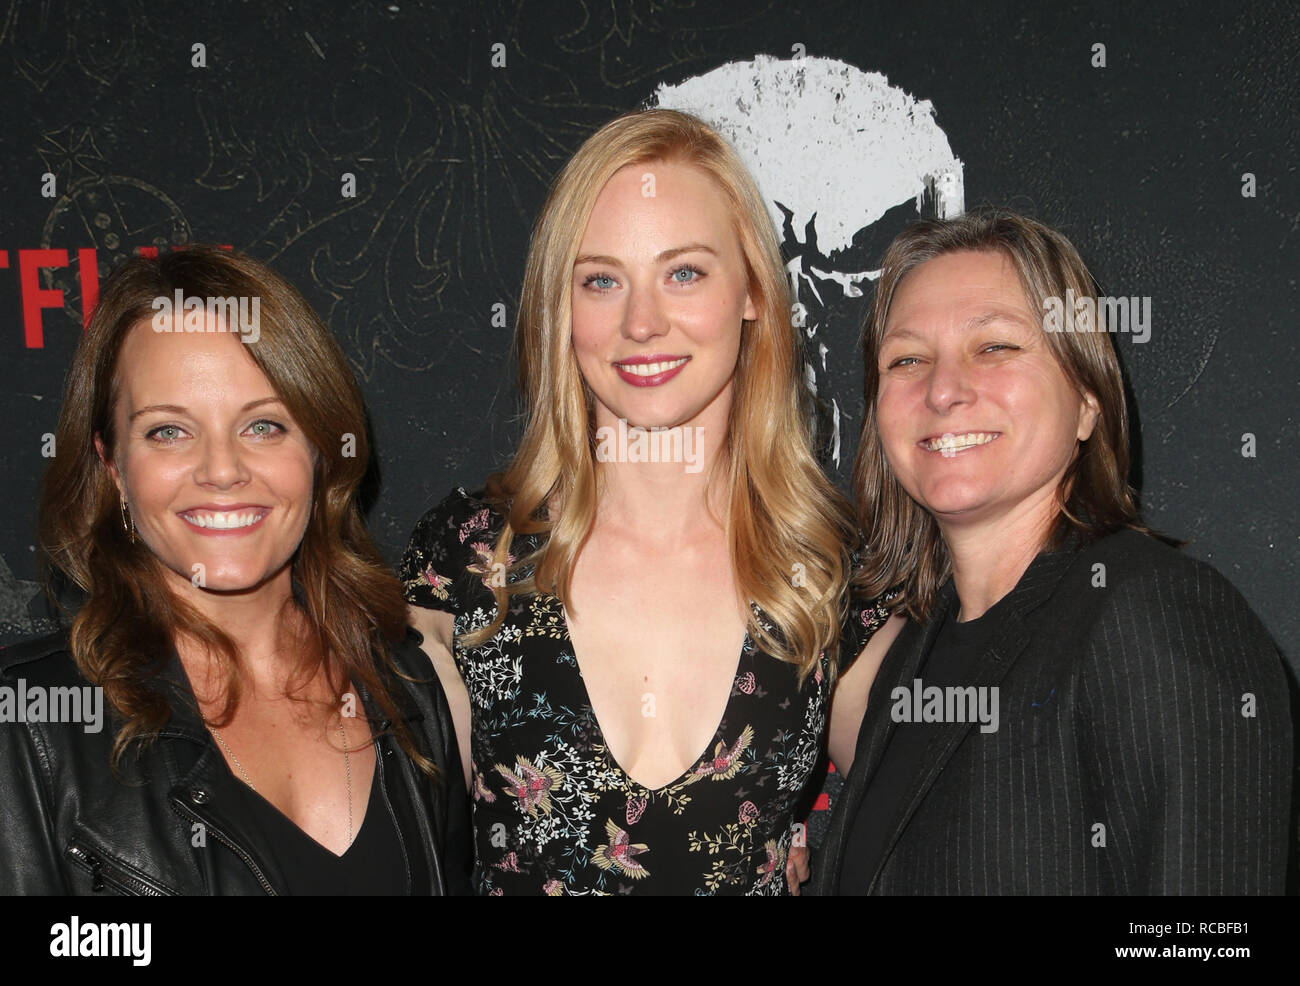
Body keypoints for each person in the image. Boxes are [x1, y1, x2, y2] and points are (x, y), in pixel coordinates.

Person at [401, 108, 895, 895]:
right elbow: (367, 826)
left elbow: (966, 803)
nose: (641, 322)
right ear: (562, 310)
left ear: (754, 295)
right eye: (601, 280)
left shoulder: (836, 574)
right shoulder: (469, 557)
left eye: (685, 273)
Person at [813, 209, 1293, 895]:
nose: (943, 390)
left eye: (996, 347)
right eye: (908, 359)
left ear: (1089, 401)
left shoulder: (1153, 616)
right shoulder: (910, 659)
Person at [0, 246, 471, 895]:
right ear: (112, 467)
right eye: (168, 431)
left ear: (318, 450)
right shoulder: (29, 728)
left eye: (264, 425)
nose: (222, 471)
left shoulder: (407, 685)